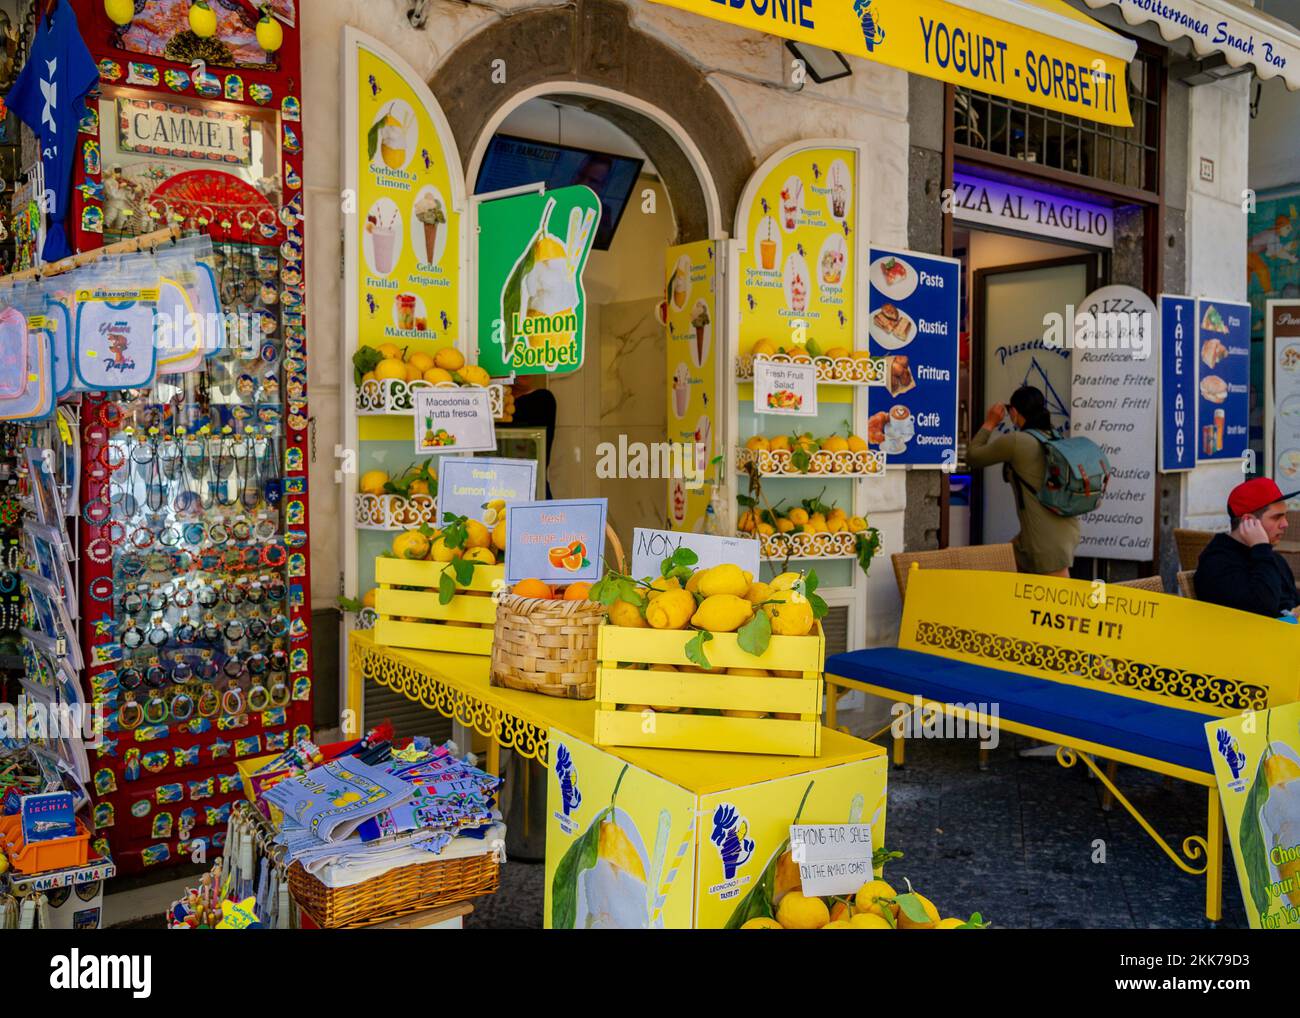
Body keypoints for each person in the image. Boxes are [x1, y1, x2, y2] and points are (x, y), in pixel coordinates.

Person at [966, 385, 1080, 577]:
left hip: (1044, 542)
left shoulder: (1017, 441)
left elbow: (973, 457)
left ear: (1014, 412)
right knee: (999, 574)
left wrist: (990, 422)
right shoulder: (1054, 437)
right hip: (1063, 531)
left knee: (1058, 602)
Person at [1194, 477, 1298, 617]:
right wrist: (1261, 547)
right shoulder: (1217, 563)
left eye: (1285, 516)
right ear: (1249, 522)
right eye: (1276, 517)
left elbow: (1291, 604)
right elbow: (1263, 609)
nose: (1285, 524)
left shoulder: (1272, 558)